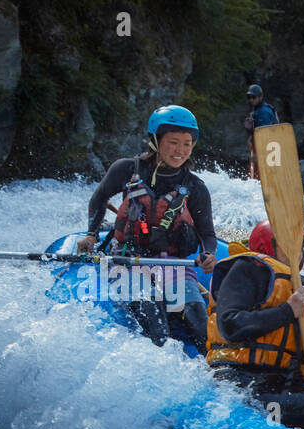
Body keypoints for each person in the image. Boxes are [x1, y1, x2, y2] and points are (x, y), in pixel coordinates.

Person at [78, 105, 217, 347]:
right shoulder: (126, 169)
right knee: (156, 324)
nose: (181, 150)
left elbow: (207, 234)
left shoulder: (195, 187)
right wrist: (91, 234)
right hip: (126, 260)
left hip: (172, 263)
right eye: (174, 142)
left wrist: (209, 253)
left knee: (198, 322)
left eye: (187, 143)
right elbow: (99, 199)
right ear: (155, 139)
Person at [206, 220, 304, 429]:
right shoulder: (247, 269)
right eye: (289, 244)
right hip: (239, 383)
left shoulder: (300, 289)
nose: (297, 252)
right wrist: (287, 311)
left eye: (300, 247)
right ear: (266, 244)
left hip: (278, 385)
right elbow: (231, 326)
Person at [244, 84, 279, 181]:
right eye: (249, 97)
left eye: (254, 97)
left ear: (260, 97)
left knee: (258, 177)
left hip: (266, 149)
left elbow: (265, 134)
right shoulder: (258, 109)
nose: (251, 99)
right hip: (262, 148)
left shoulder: (264, 111)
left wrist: (259, 154)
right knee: (254, 176)